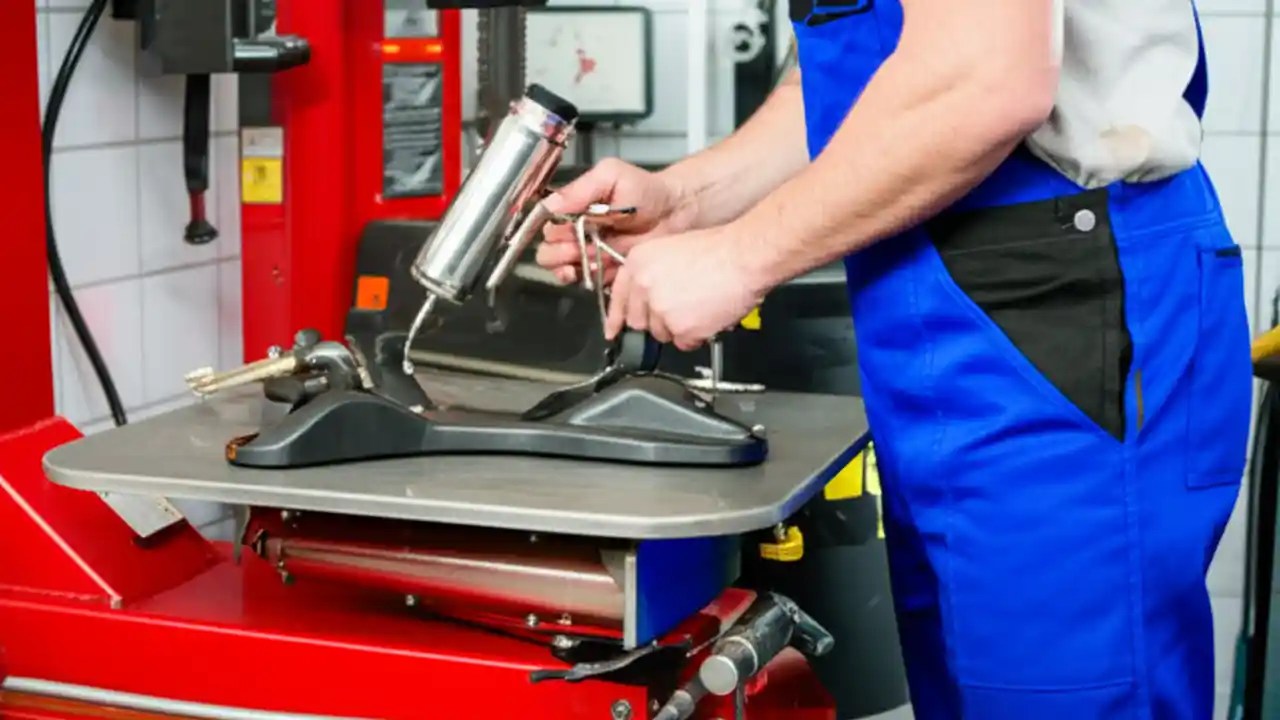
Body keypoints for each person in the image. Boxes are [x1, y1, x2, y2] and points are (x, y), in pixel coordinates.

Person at [537, 0, 1252, 717]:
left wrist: (737, 258)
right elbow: (878, 78)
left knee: (1065, 696)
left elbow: (986, 77)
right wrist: (688, 199)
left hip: (1060, 316)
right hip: (956, 317)